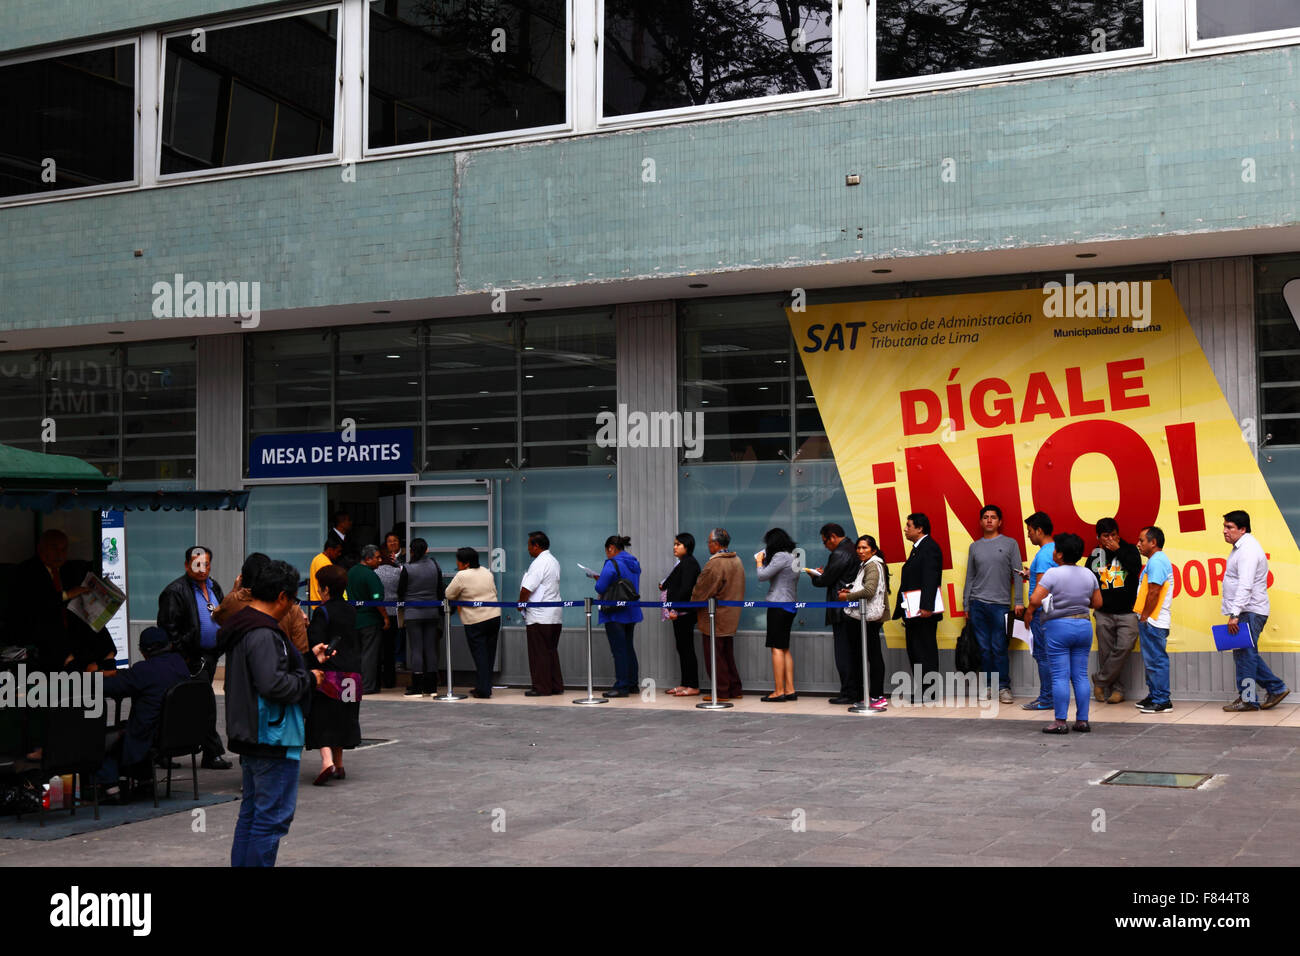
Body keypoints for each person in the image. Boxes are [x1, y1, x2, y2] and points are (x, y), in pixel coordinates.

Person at [219, 559, 332, 867]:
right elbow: (273, 684)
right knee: (270, 820)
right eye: (293, 599)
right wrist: (310, 678)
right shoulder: (264, 633)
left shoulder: (244, 625)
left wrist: (307, 658)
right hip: (271, 734)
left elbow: (268, 673)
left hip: (253, 732)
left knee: (253, 814)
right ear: (282, 596)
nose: (293, 606)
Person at [157, 545, 230, 770]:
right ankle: (211, 752)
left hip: (209, 656)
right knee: (202, 703)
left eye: (206, 564)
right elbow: (168, 628)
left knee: (189, 705)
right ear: (187, 565)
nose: (202, 569)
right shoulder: (175, 591)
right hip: (189, 658)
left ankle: (165, 752)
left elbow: (223, 614)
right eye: (197, 564)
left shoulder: (213, 586)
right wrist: (184, 655)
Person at [96, 626, 191, 797]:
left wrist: (91, 676)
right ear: (169, 646)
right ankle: (144, 780)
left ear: (143, 651)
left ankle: (110, 788)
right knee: (131, 728)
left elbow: (109, 687)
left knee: (104, 739)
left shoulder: (143, 670)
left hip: (149, 735)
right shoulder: (180, 664)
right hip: (179, 734)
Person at [1023, 533, 1102, 733]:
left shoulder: (1053, 574)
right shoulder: (1088, 574)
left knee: (1059, 675)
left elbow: (1035, 599)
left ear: (1059, 554)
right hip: (1083, 626)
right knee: (1080, 675)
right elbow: (1098, 603)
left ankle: (1060, 722)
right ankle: (1082, 720)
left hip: (1058, 627)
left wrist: (1031, 611)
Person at [1220, 510, 1289, 711]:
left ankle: (1249, 699)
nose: (1224, 531)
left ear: (1242, 529)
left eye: (1229, 527)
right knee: (1245, 655)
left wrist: (1234, 614)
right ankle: (1275, 687)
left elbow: (1245, 585)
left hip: (1250, 611)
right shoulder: (1240, 548)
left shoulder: (1247, 550)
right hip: (1247, 611)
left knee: (1246, 656)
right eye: (1224, 526)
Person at [305, 564, 362, 786]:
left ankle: (326, 761)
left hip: (330, 674)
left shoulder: (323, 611)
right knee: (345, 716)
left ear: (326, 589)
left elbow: (315, 643)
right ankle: (339, 764)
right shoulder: (352, 610)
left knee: (322, 717)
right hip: (352, 675)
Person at [962, 504, 1022, 705]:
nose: (989, 520)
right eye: (985, 517)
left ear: (1000, 521)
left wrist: (1019, 602)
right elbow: (970, 577)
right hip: (977, 603)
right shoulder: (975, 547)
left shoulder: (1011, 544)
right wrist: (966, 604)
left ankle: (1004, 687)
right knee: (984, 649)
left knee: (999, 647)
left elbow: (1018, 575)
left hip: (1000, 605)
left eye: (993, 517)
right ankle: (988, 686)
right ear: (981, 522)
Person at [12, 529, 92, 669]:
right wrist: (67, 595)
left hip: (67, 626)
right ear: (41, 549)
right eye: (54, 548)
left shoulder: (69, 570)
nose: (59, 554)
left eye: (63, 549)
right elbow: (38, 603)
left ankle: (107, 661)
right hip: (38, 628)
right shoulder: (27, 570)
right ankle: (69, 662)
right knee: (51, 623)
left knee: (94, 627)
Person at [214, 552, 310, 657]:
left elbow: (218, 616)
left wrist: (234, 590)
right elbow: (301, 650)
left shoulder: (234, 601)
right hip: (282, 666)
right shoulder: (288, 606)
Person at [805, 522, 859, 705]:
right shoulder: (852, 549)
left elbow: (826, 580)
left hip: (841, 610)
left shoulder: (840, 553)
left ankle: (848, 692)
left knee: (843, 653)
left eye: (825, 542)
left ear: (833, 537)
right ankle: (856, 691)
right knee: (854, 653)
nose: (825, 546)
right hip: (852, 610)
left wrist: (814, 576)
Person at [1089, 517, 1141, 705]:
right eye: (1106, 536)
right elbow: (1090, 581)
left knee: (1124, 647)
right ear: (1099, 538)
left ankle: (1099, 681)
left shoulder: (1129, 549)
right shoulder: (1095, 555)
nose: (1110, 539)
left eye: (1113, 535)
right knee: (1106, 652)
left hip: (1127, 612)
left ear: (1118, 535)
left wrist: (1118, 550)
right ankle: (1116, 689)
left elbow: (1135, 569)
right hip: (1104, 612)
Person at [893, 513, 943, 699]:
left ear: (919, 528)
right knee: (915, 650)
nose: (905, 529)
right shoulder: (918, 548)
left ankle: (929, 691)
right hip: (913, 610)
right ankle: (923, 690)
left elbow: (930, 579)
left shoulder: (929, 548)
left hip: (923, 612)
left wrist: (927, 607)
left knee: (924, 651)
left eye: (908, 525)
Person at [691, 528, 744, 702]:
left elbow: (703, 589)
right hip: (731, 615)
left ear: (716, 544)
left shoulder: (715, 563)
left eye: (709, 542)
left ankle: (721, 692)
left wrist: (692, 603)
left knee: (715, 655)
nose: (708, 545)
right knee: (727, 654)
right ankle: (735, 688)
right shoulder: (737, 560)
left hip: (716, 616)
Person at [840, 535, 890, 711]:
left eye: (865, 548)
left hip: (868, 618)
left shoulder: (872, 565)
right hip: (866, 618)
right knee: (869, 656)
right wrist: (852, 590)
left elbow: (869, 591)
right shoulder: (868, 564)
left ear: (873, 550)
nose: (860, 551)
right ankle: (872, 695)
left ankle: (877, 696)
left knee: (873, 657)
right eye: (859, 548)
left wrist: (847, 596)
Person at [445, 547, 501, 699]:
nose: (457, 564)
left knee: (480, 655)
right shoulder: (486, 572)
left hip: (475, 620)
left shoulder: (462, 575)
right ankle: (484, 685)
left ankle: (483, 690)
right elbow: (494, 591)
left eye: (458, 561)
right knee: (489, 654)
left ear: (465, 563)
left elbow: (448, 593)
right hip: (494, 616)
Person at [592, 535, 643, 698]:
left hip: (615, 613)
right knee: (628, 647)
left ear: (611, 548)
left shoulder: (612, 563)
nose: (607, 554)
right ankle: (632, 683)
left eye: (607, 551)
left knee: (619, 650)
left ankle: (621, 686)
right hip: (631, 611)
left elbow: (600, 587)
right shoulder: (634, 562)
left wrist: (598, 579)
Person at [1133, 526, 1174, 714]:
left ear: (1153, 542)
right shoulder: (1155, 561)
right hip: (1151, 619)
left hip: (1153, 620)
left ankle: (1162, 700)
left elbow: (1154, 591)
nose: (1138, 544)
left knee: (1156, 660)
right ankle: (1154, 695)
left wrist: (1144, 616)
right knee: (1151, 660)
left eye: (1142, 541)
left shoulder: (1157, 561)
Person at [1017, 512, 1056, 711]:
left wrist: (1029, 610)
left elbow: (1041, 589)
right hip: (1052, 612)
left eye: (1030, 531)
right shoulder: (1055, 551)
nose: (1028, 535)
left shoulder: (1042, 555)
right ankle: (1049, 697)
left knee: (1043, 656)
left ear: (1039, 531)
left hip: (1041, 612)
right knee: (1049, 656)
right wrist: (1029, 574)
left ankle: (1047, 698)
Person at [519, 531, 564, 696]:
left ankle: (542, 687)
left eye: (529, 545)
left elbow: (527, 588)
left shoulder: (539, 563)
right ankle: (555, 685)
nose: (528, 549)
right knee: (551, 652)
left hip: (539, 616)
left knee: (539, 654)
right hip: (554, 615)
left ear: (536, 546)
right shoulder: (554, 561)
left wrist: (520, 604)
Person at [398, 538, 444, 697]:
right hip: (432, 611)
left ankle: (416, 687)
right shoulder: (434, 565)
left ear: (411, 550)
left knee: (416, 649)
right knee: (430, 648)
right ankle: (431, 687)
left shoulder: (407, 568)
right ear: (426, 550)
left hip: (413, 612)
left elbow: (400, 591)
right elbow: (440, 588)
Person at [756, 528, 798, 702]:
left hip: (778, 605)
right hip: (790, 604)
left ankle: (778, 691)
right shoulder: (793, 556)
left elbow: (762, 576)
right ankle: (790, 689)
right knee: (784, 647)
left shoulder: (780, 556)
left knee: (776, 648)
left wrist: (759, 561)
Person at [661, 533, 702, 697]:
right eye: (674, 544)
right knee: (681, 647)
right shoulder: (682, 563)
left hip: (683, 613)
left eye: (678, 544)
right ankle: (685, 682)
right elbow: (671, 583)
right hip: (678, 612)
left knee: (687, 648)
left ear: (687, 546)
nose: (674, 547)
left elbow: (686, 589)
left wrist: (674, 609)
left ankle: (693, 685)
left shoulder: (690, 564)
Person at [348, 545, 390, 695]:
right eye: (377, 557)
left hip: (354, 618)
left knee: (357, 654)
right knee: (370, 655)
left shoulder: (351, 572)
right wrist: (385, 617)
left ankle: (356, 683)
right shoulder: (370, 575)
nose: (380, 560)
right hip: (369, 620)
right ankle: (367, 686)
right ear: (368, 559)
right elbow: (377, 599)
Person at [374, 540, 404, 688]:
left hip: (379, 611)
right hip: (394, 612)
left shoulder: (375, 572)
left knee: (378, 648)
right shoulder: (397, 572)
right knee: (390, 648)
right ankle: (390, 680)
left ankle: (377, 679)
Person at [309, 539, 343, 605]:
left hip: (316, 601)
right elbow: (328, 585)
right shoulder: (325, 563)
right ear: (330, 550)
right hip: (323, 602)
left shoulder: (317, 558)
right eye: (338, 551)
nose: (339, 554)